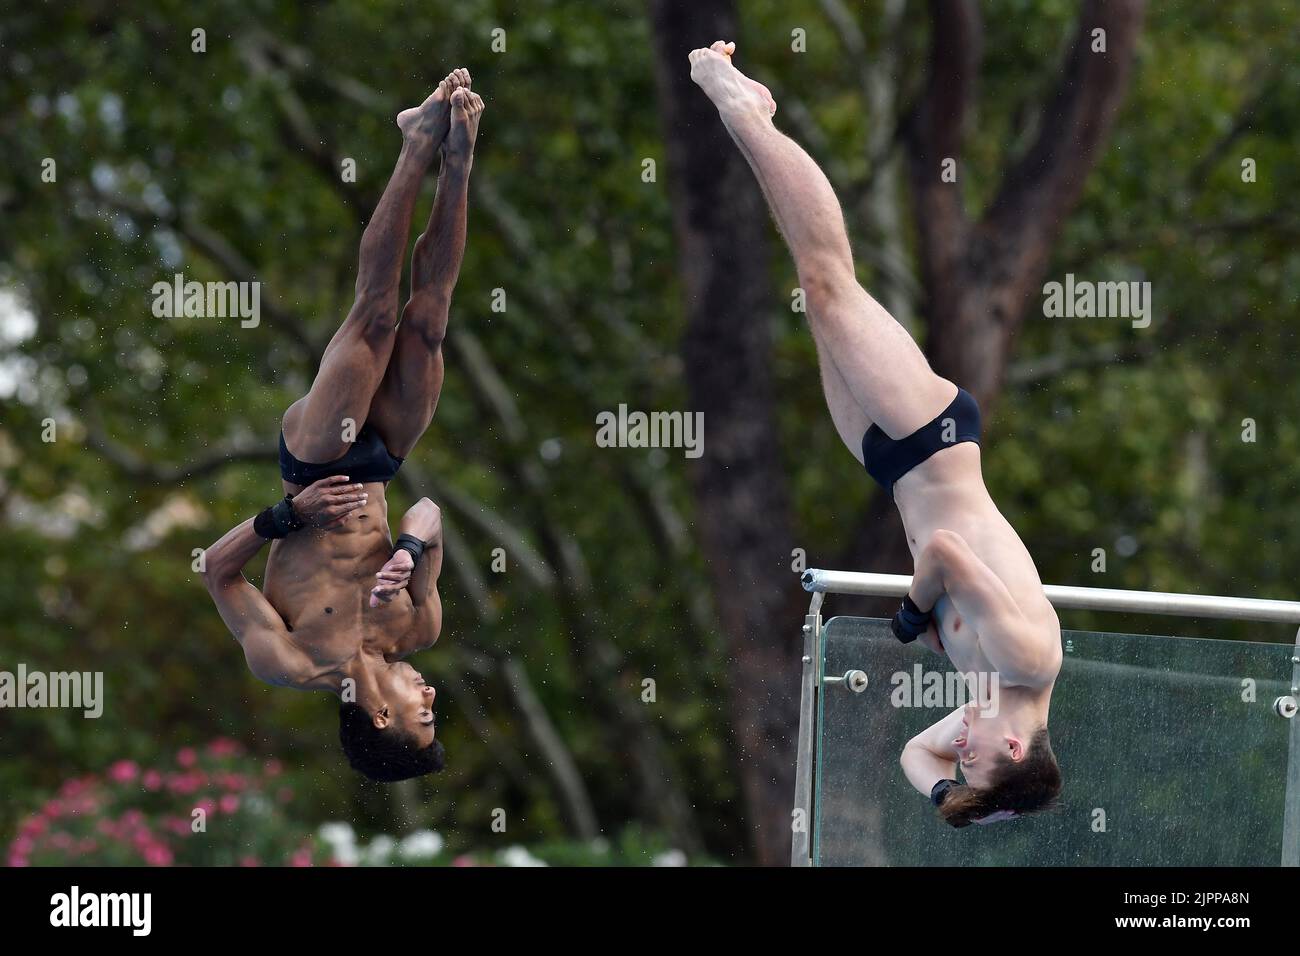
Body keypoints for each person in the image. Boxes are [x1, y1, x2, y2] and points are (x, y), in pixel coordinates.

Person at [689, 41, 1062, 826]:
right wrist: (909, 617)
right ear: (1018, 751)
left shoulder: (988, 708)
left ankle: (748, 118)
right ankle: (741, 107)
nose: (961, 749)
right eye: (976, 761)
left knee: (810, 285)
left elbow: (912, 757)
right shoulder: (1026, 664)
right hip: (932, 436)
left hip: (892, 466)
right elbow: (947, 555)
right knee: (830, 284)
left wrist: (959, 801)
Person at [201, 69, 485, 783]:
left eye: (424, 713)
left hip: (314, 466)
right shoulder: (418, 629)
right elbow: (430, 511)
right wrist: (412, 550)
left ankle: (415, 143)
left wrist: (285, 516)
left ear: (380, 718)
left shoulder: (291, 663)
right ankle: (458, 159)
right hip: (384, 459)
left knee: (377, 316)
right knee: (427, 324)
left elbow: (214, 569)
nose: (430, 695)